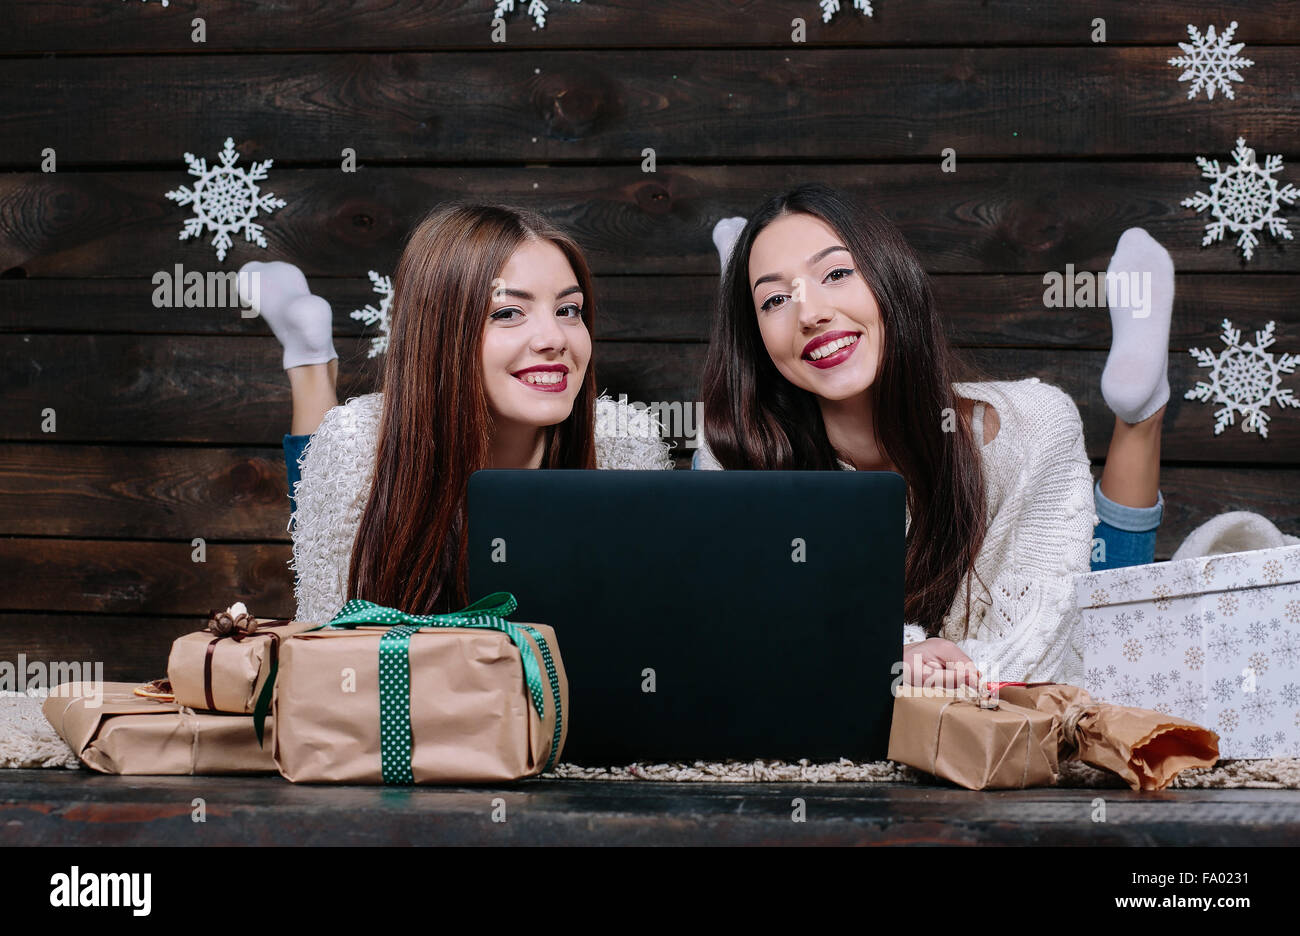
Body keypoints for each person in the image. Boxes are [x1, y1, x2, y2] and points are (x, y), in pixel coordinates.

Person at [694, 183, 1173, 689]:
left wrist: (935, 668)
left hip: (1009, 670)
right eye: (774, 300)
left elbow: (1041, 643)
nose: (809, 313)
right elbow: (734, 631)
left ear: (892, 276)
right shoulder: (738, 446)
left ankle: (1141, 413)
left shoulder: (1033, 426)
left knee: (1103, 632)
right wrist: (900, 654)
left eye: (835, 273)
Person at [241, 203, 672, 625]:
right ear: (443, 334)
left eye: (568, 310)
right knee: (325, 459)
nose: (553, 338)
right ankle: (310, 363)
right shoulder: (353, 446)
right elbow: (327, 641)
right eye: (507, 312)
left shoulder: (625, 438)